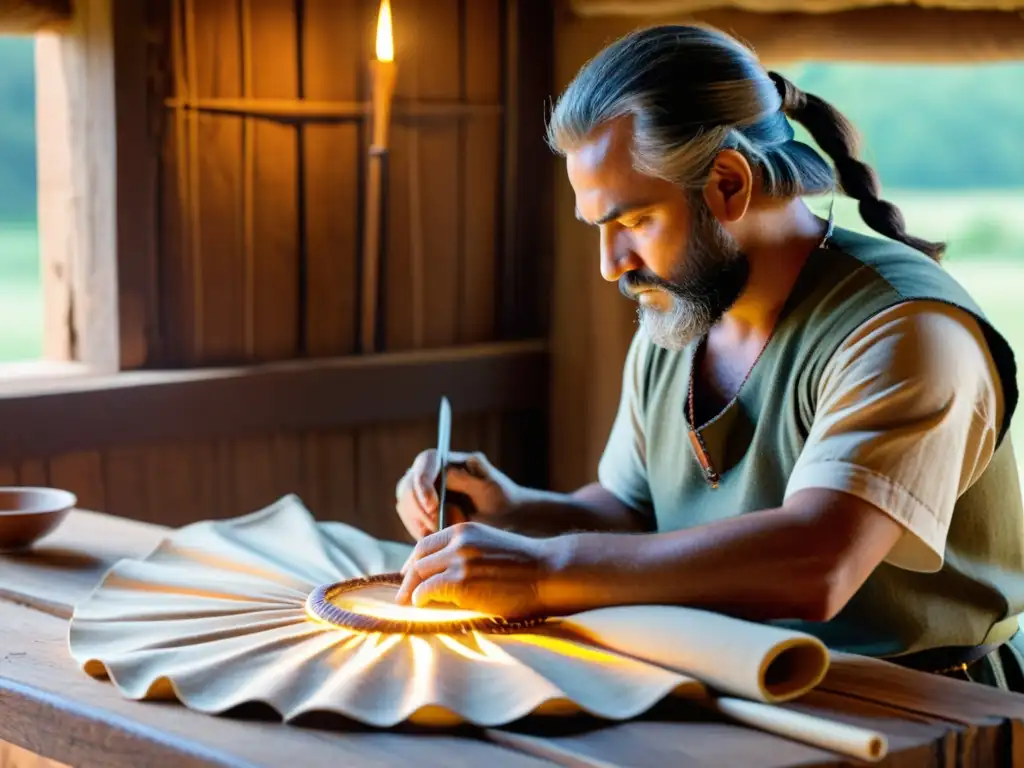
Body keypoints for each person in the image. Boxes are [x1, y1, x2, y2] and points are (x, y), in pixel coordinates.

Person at [392, 24, 1024, 689]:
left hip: (924, 711)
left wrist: (547, 573)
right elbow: (630, 516)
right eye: (601, 229)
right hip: (732, 688)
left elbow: (818, 564)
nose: (612, 266)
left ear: (727, 183)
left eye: (633, 222)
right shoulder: (681, 313)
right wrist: (511, 511)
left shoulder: (905, 330)